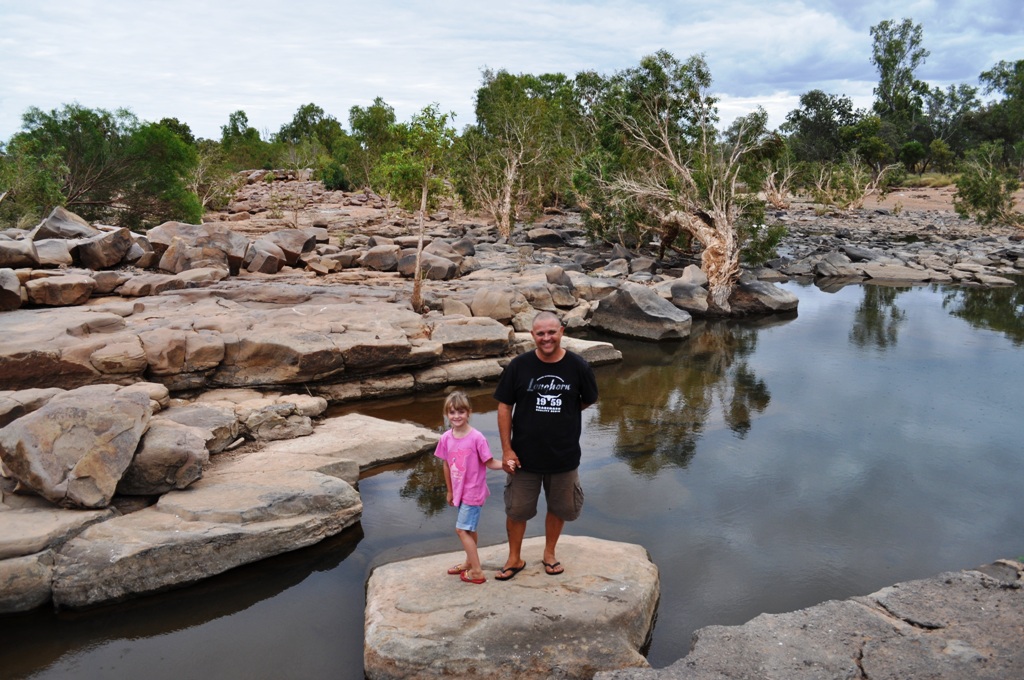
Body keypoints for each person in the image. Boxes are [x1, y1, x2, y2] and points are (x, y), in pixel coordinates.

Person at [492, 310, 599, 580]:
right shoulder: (519, 366)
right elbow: (505, 406)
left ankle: (549, 553)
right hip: (524, 457)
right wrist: (507, 449)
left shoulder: (578, 367)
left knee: (560, 507)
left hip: (563, 456)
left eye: (551, 332)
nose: (546, 338)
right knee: (517, 510)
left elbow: (588, 400)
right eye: (540, 333)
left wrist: (564, 414)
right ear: (532, 335)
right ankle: (514, 558)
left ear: (562, 331)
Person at [434, 390, 504, 584]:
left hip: (473, 491)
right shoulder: (446, 438)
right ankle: (468, 562)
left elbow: (489, 462)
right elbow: (446, 464)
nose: (457, 416)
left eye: (461, 412)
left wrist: (507, 465)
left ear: (469, 413)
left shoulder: (477, 438)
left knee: (461, 530)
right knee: (470, 529)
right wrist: (449, 490)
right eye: (452, 412)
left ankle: (477, 572)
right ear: (447, 414)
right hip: (459, 491)